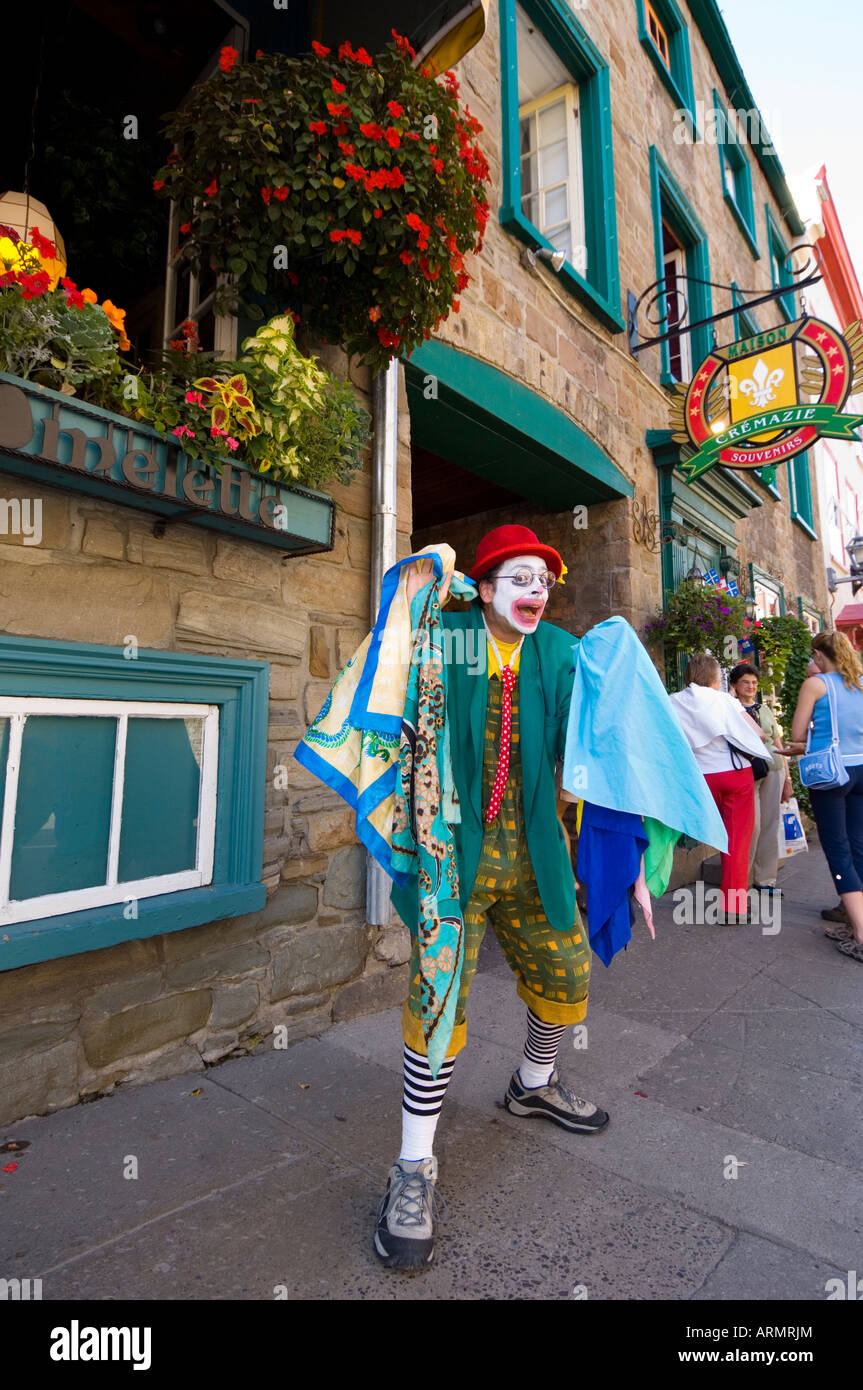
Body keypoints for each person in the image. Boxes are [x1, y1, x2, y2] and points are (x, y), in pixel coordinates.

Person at [377, 524, 609, 1270]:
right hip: (454, 854)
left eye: (542, 578)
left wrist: (625, 857)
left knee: (566, 971)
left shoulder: (559, 653)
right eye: (516, 577)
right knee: (438, 996)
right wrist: (438, 577)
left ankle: (532, 1084)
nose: (535, 590)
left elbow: (602, 741)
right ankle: (413, 1166)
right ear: (482, 589)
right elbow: (394, 640)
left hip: (535, 849)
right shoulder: (449, 637)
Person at [669, 654, 769, 923]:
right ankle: (733, 907)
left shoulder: (673, 701)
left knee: (671, 832)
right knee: (736, 840)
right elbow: (757, 734)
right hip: (734, 776)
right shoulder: (725, 700)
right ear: (716, 679)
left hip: (699, 778)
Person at [787, 631, 863, 961]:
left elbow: (797, 734)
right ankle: (852, 913)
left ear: (818, 655)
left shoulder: (816, 685)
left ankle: (861, 930)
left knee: (837, 848)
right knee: (858, 842)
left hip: (832, 774)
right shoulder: (860, 682)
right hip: (861, 767)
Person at [728, 663, 793, 894]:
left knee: (770, 824)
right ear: (734, 685)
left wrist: (788, 779)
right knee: (751, 827)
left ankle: (765, 880)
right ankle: (741, 881)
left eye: (754, 683)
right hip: (747, 770)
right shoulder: (730, 709)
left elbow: (778, 743)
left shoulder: (764, 709)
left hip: (773, 768)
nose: (751, 687)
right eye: (745, 682)